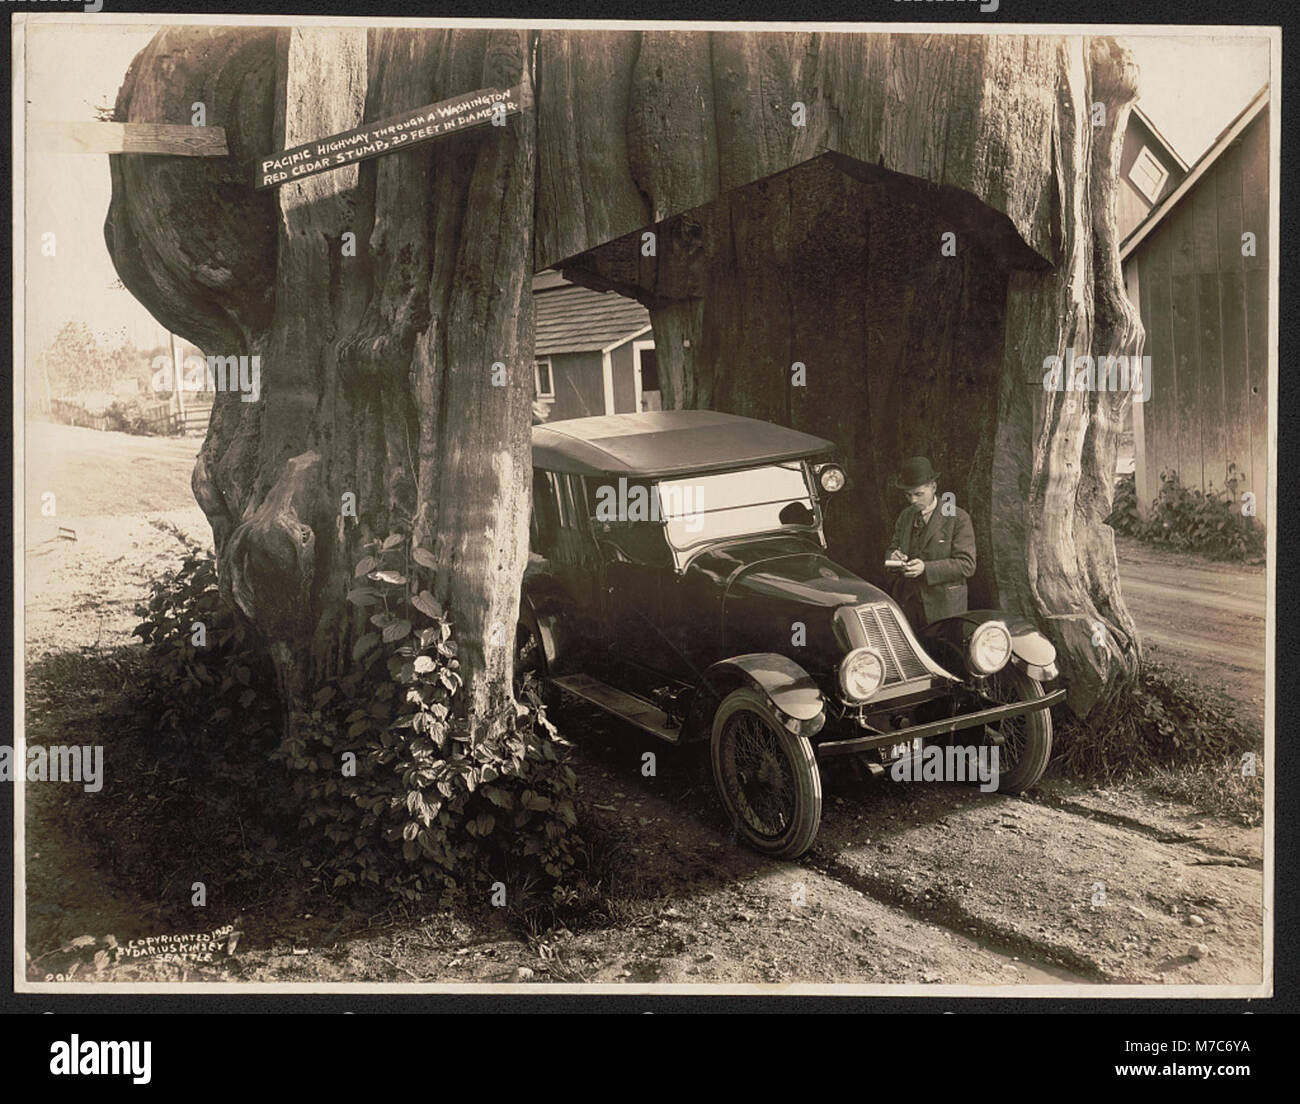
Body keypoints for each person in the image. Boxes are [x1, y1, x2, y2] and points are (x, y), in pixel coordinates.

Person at [885, 457, 976, 628]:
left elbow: (967, 565)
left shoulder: (957, 518)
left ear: (933, 487)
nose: (912, 500)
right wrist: (894, 557)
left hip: (944, 608)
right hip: (908, 606)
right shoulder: (906, 516)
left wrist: (925, 569)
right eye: (908, 495)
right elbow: (892, 548)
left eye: (918, 494)